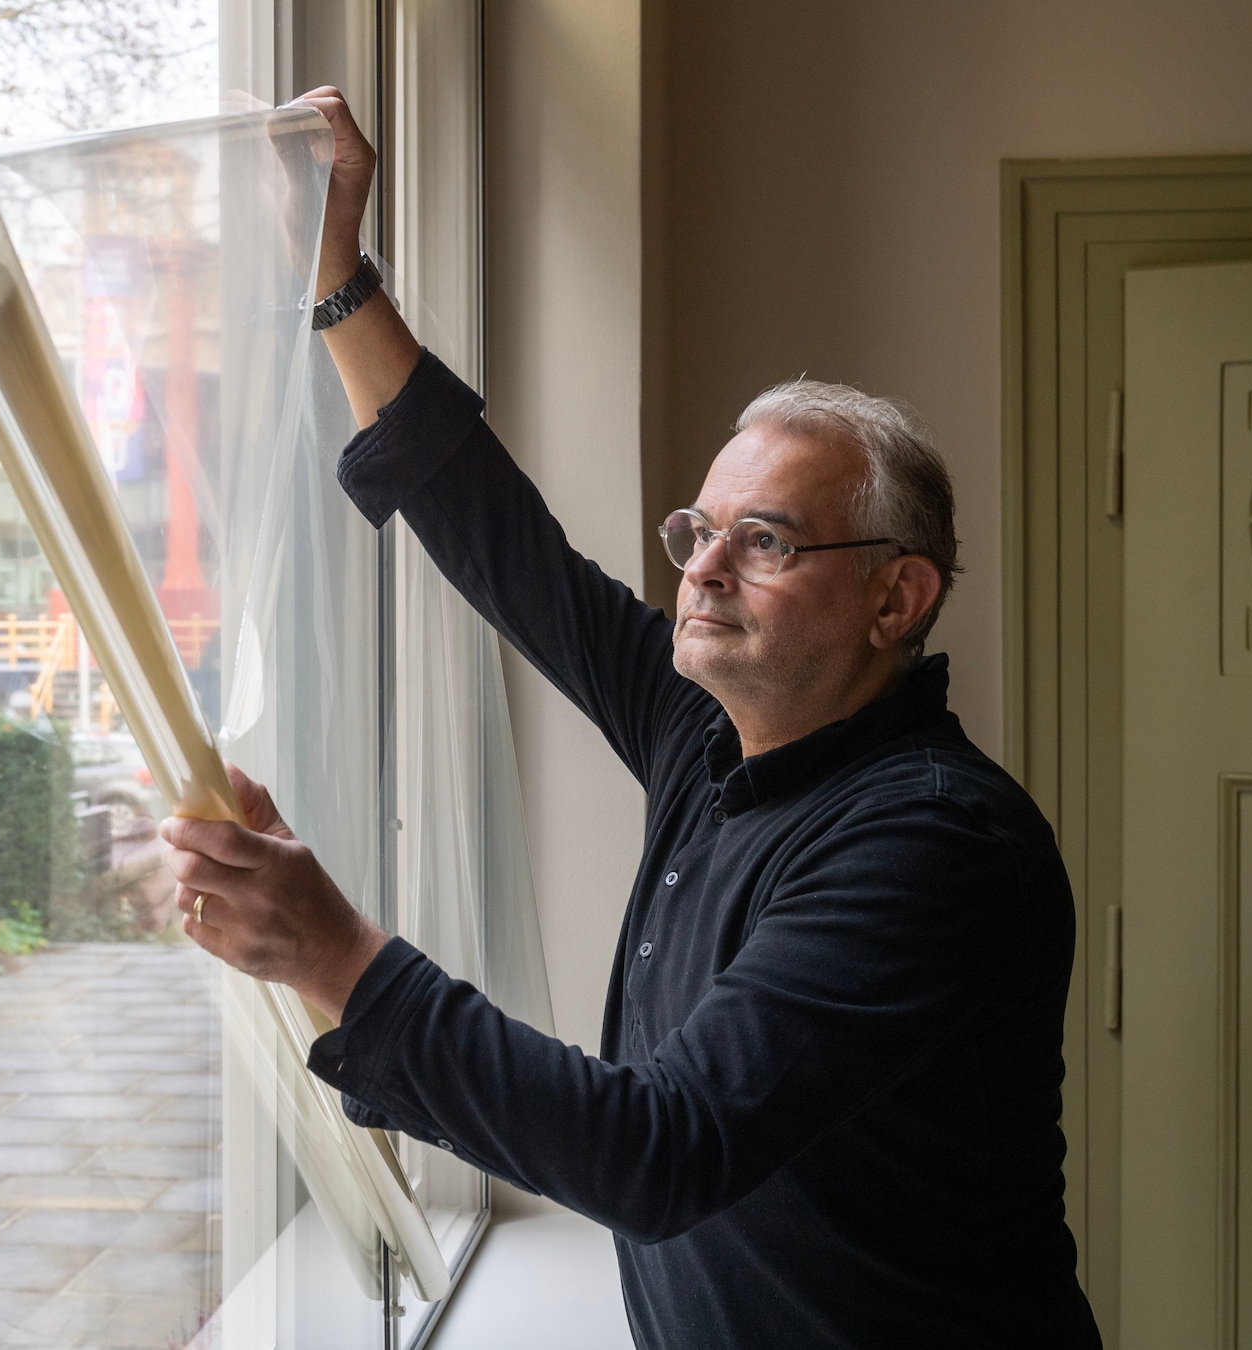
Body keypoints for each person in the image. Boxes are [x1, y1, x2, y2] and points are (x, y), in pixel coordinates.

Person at [160, 89, 1101, 1349]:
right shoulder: (707, 733)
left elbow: (660, 1150)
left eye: (763, 541)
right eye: (699, 530)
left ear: (897, 599)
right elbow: (500, 539)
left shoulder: (934, 846)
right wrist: (334, 273)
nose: (701, 569)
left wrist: (331, 951)